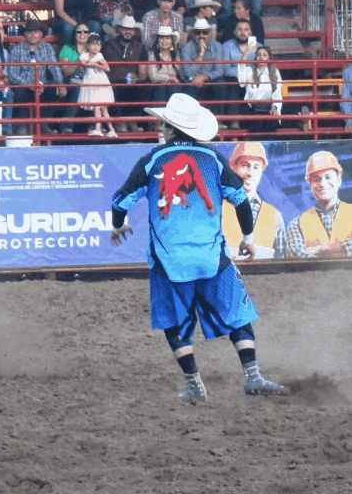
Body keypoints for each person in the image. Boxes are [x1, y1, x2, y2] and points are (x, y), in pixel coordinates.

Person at [110, 92, 288, 403]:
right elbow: (241, 200)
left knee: (174, 322)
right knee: (236, 312)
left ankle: (195, 386)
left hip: (169, 261)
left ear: (168, 126)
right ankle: (253, 376)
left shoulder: (152, 160)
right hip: (212, 258)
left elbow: (119, 201)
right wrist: (247, 237)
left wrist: (118, 224)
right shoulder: (214, 159)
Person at [221, 142, 286, 260]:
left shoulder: (275, 216)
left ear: (262, 171)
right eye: (245, 165)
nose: (250, 173)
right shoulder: (218, 209)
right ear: (234, 168)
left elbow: (281, 259)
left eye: (256, 167)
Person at [286, 151, 352, 258]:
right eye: (317, 179)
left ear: (339, 180)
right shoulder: (296, 224)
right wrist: (342, 249)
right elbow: (298, 257)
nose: (322, 184)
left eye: (328, 177)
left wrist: (320, 249)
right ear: (310, 185)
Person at [5, 20, 65, 134]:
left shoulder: (47, 48)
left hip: (40, 86)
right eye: (29, 32)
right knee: (19, 92)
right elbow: (12, 73)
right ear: (25, 34)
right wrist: (28, 84)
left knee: (56, 93)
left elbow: (54, 67)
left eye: (36, 32)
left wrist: (60, 83)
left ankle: (43, 122)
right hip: (23, 86)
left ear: (41, 34)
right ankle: (23, 125)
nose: (32, 35)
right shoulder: (17, 49)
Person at [103, 15, 148, 131]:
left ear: (134, 31)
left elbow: (143, 71)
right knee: (112, 86)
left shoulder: (140, 47)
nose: (128, 32)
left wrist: (137, 78)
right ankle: (120, 122)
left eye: (131, 29)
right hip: (112, 80)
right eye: (125, 28)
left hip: (131, 81)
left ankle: (133, 122)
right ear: (119, 29)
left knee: (142, 85)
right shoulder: (108, 45)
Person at [77, 32, 115, 137]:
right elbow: (83, 63)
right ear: (88, 45)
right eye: (93, 44)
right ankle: (109, 129)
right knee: (97, 106)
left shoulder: (99, 56)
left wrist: (95, 65)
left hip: (99, 81)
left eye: (98, 45)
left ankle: (102, 129)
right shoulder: (84, 55)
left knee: (100, 107)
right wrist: (93, 64)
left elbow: (107, 68)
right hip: (90, 82)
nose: (96, 47)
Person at [238, 45, 281, 134]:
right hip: (253, 109)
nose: (261, 57)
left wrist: (274, 107)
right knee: (256, 124)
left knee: (272, 123)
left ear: (269, 58)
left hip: (269, 108)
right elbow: (241, 83)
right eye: (258, 54)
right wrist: (246, 53)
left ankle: (301, 119)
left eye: (264, 55)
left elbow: (277, 93)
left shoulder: (275, 72)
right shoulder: (249, 71)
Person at [147, 25, 185, 103]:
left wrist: (171, 80)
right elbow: (153, 76)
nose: (164, 41)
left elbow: (181, 74)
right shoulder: (152, 54)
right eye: (161, 38)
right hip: (158, 87)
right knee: (161, 89)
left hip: (174, 87)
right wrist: (171, 78)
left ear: (171, 41)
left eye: (167, 38)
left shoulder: (176, 54)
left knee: (175, 90)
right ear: (157, 40)